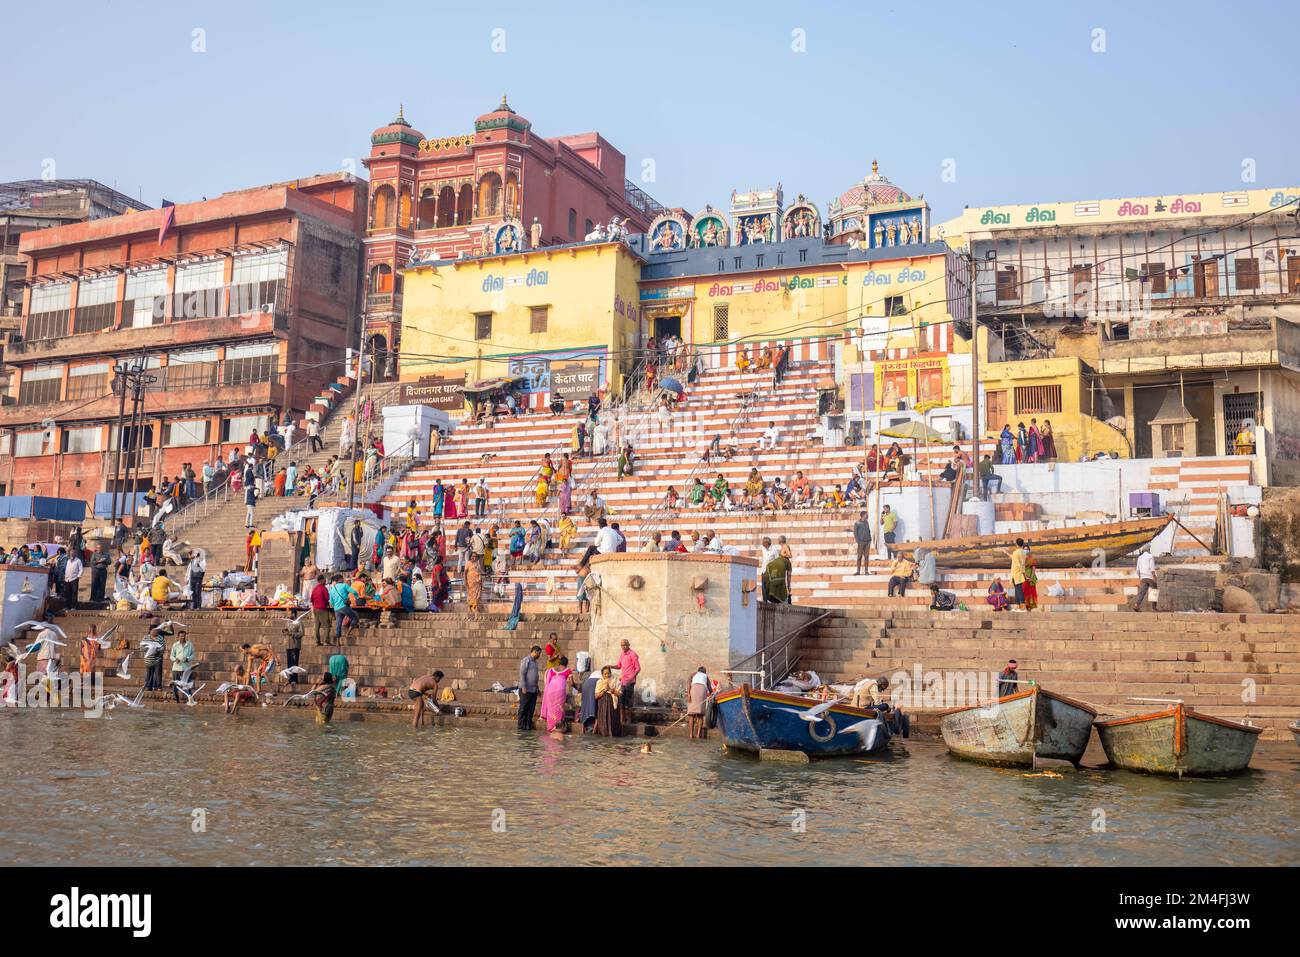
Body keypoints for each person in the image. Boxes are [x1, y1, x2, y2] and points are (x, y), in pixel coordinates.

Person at [542, 656, 574, 733]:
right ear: (566, 664)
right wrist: (576, 687)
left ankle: (551, 727)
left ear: (559, 662)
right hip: (560, 691)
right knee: (559, 708)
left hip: (550, 691)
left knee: (551, 709)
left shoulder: (552, 670)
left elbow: (547, 682)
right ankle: (558, 726)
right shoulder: (568, 671)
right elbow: (572, 683)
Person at [328, 574, 360, 640]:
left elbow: (331, 602)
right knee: (355, 617)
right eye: (342, 578)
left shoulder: (332, 589)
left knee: (338, 624)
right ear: (340, 579)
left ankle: (338, 642)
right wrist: (357, 597)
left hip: (336, 609)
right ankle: (348, 633)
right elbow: (354, 591)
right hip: (344, 607)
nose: (343, 580)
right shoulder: (344, 585)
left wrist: (335, 606)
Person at [593, 664, 622, 737]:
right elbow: (596, 696)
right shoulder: (599, 682)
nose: (607, 675)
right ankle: (603, 734)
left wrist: (610, 689)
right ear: (602, 675)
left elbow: (619, 694)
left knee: (612, 722)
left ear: (610, 673)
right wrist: (604, 690)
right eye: (605, 674)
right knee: (603, 722)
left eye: (608, 673)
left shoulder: (616, 681)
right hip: (602, 706)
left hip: (613, 706)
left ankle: (613, 735)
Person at [615, 638, 640, 723]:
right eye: (622, 645)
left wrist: (631, 679)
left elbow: (638, 669)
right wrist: (611, 666)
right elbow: (619, 666)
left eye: (625, 644)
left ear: (629, 645)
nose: (624, 646)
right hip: (623, 681)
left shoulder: (632, 654)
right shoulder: (622, 654)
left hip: (630, 682)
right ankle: (622, 719)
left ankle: (629, 720)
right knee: (621, 700)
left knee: (628, 701)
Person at [517, 645, 541, 731]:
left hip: (533, 690)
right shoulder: (526, 660)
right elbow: (522, 674)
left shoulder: (535, 662)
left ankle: (527, 726)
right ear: (534, 652)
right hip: (525, 689)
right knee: (523, 708)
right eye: (539, 653)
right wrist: (523, 686)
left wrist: (538, 689)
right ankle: (521, 726)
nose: (539, 655)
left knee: (531, 709)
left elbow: (535, 677)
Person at [169, 629, 197, 702]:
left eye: (184, 636)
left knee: (188, 685)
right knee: (175, 685)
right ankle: (176, 699)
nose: (182, 637)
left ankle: (190, 699)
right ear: (178, 637)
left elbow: (193, 655)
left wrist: (187, 659)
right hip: (176, 668)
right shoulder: (175, 645)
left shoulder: (190, 644)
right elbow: (171, 656)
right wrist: (175, 659)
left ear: (185, 636)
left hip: (186, 668)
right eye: (181, 636)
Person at [686, 667, 710, 740]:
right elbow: (709, 687)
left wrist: (689, 695)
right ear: (704, 672)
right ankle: (698, 735)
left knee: (691, 714)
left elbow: (688, 684)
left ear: (698, 671)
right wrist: (712, 694)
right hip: (702, 691)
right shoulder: (706, 676)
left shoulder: (693, 674)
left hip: (693, 690)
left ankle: (691, 735)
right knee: (700, 715)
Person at [1133, 546, 1157, 612]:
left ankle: (1137, 605)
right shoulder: (1150, 556)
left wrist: (1140, 577)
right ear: (1148, 550)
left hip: (1143, 577)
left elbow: (1137, 570)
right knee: (1153, 591)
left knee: (1141, 592)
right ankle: (1153, 608)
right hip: (1150, 577)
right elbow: (1152, 568)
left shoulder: (1140, 557)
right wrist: (1154, 576)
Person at [1008, 538, 1028, 609]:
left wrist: (1023, 573)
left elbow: (1018, 564)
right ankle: (1018, 606)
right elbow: (1015, 559)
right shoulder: (1023, 552)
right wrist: (1007, 553)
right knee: (1017, 590)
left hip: (1016, 573)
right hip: (1019, 574)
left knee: (1019, 590)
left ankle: (1022, 605)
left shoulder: (1015, 552)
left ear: (1016, 544)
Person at [1021, 546, 1039, 611]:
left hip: (1031, 576)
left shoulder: (1032, 558)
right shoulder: (1021, 558)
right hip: (1023, 576)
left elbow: (1033, 569)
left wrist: (1031, 577)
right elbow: (1021, 568)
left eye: (1027, 549)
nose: (1026, 550)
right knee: (1024, 591)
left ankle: (1030, 607)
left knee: (1031, 591)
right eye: (1024, 549)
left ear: (1029, 550)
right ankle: (1025, 606)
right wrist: (1025, 576)